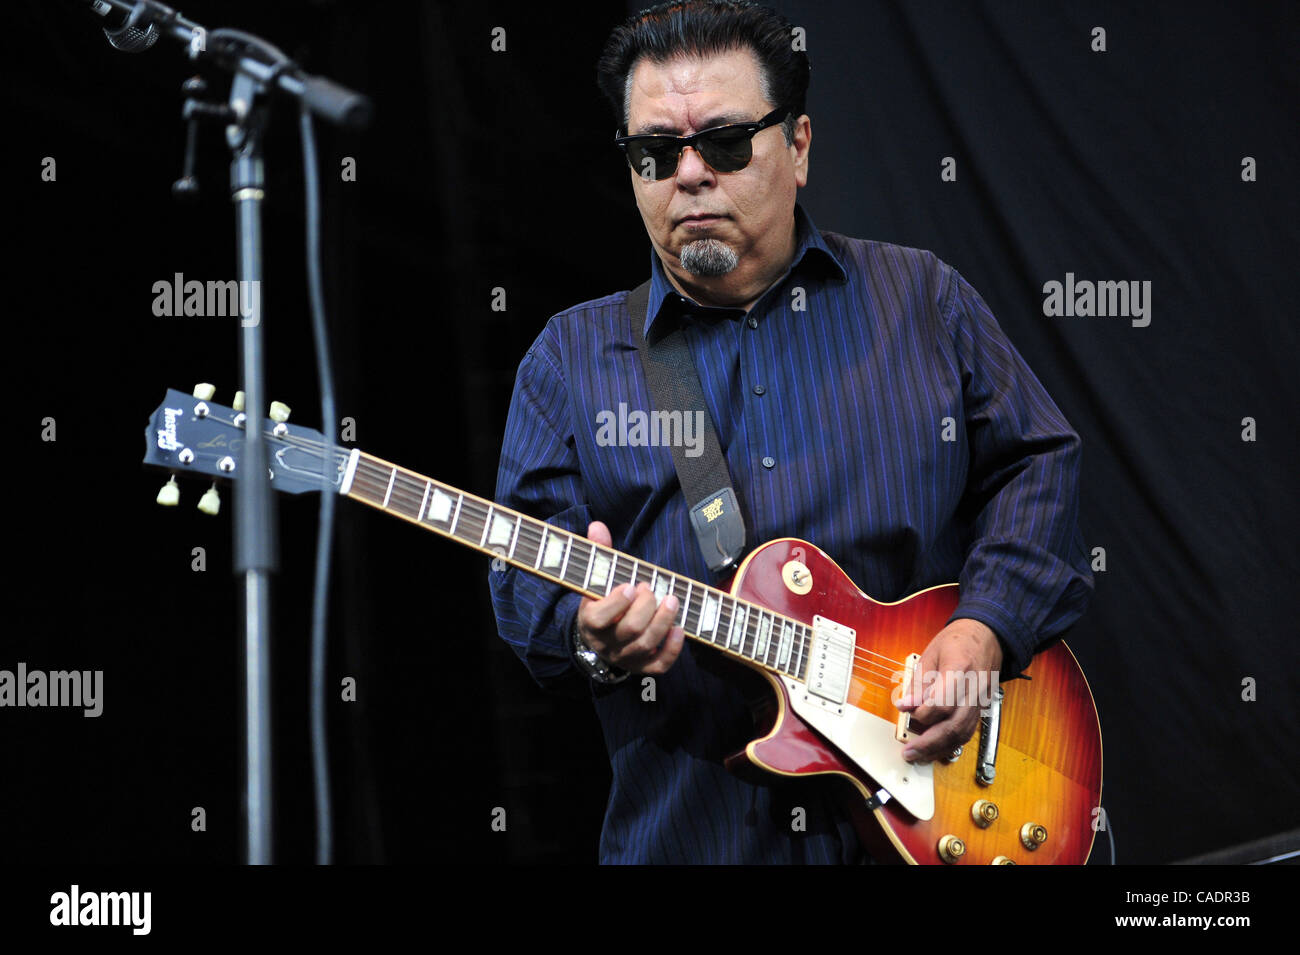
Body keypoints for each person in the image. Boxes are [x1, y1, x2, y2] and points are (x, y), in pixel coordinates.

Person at [489, 0, 1093, 864]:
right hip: (694, 837)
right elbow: (522, 585)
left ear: (799, 146)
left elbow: (1040, 464)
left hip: (947, 812)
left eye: (727, 142)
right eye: (656, 152)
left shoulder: (920, 298)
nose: (690, 175)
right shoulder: (570, 360)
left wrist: (984, 628)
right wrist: (589, 633)